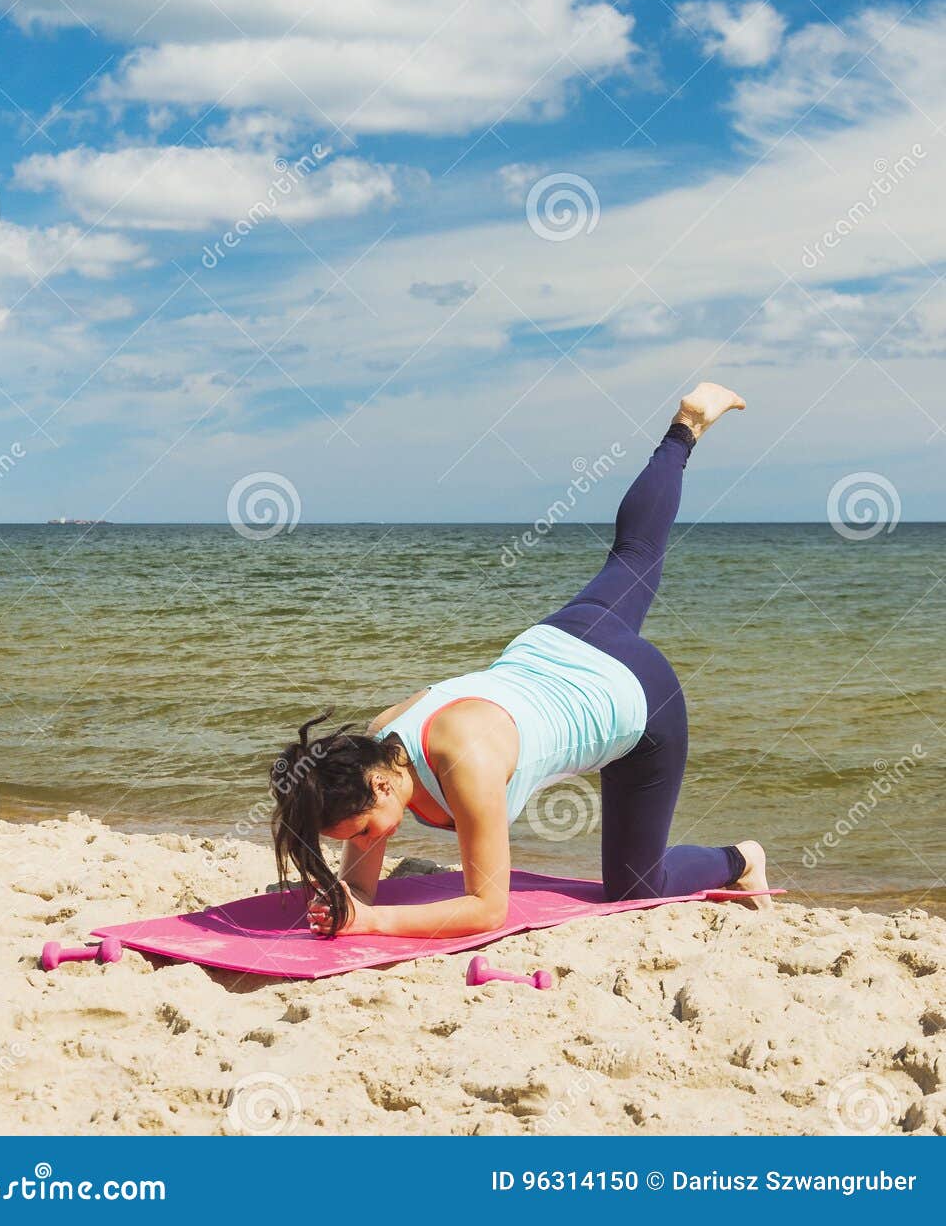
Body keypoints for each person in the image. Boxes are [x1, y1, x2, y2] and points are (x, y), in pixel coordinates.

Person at [270, 381, 769, 938]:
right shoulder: (378, 746)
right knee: (635, 552)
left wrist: (372, 922)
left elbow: (487, 909)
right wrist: (346, 903)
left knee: (636, 886)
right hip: (563, 639)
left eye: (361, 834)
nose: (365, 845)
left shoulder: (466, 763)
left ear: (381, 788)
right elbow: (361, 886)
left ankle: (741, 858)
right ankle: (686, 426)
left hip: (638, 695)